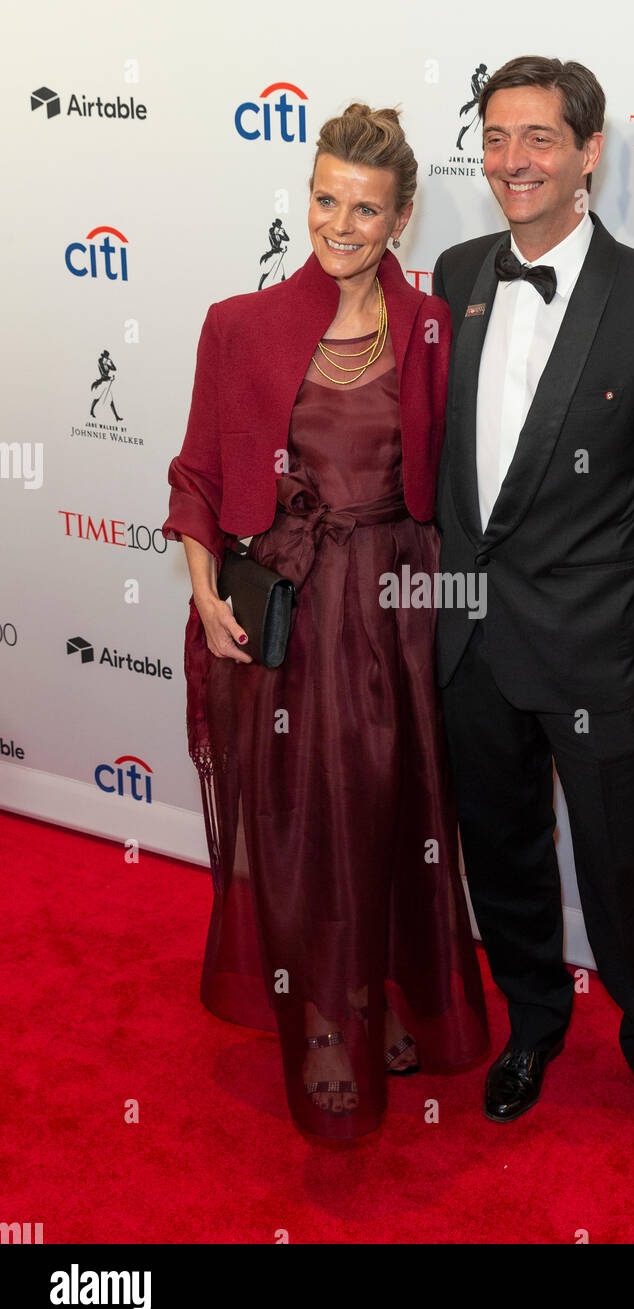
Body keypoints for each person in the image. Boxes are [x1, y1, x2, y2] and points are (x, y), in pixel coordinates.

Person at [162, 103, 489, 1140]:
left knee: (389, 811)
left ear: (400, 219)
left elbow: (464, 482)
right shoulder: (238, 324)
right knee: (299, 825)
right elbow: (198, 478)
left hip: (395, 607)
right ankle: (320, 1022)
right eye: (323, 198)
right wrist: (205, 594)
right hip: (290, 606)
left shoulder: (433, 329)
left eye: (364, 208)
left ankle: (379, 984)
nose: (338, 224)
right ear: (305, 193)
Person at [432, 57, 634, 1168]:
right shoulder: (454, 274)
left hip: (601, 658)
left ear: (586, 153)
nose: (512, 161)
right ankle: (530, 1028)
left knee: (616, 875)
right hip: (466, 645)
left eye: (538, 139)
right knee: (498, 859)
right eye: (496, 138)